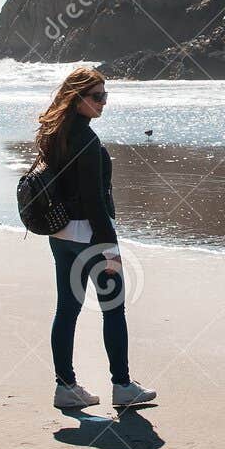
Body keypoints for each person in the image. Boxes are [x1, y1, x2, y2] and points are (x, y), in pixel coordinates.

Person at [35, 66, 156, 411]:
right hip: (89, 235)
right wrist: (110, 249)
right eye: (97, 97)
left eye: (106, 96)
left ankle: (65, 387)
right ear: (77, 99)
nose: (104, 103)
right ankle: (122, 386)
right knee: (113, 310)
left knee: (67, 310)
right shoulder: (86, 140)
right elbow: (93, 200)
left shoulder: (54, 133)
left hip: (59, 234)